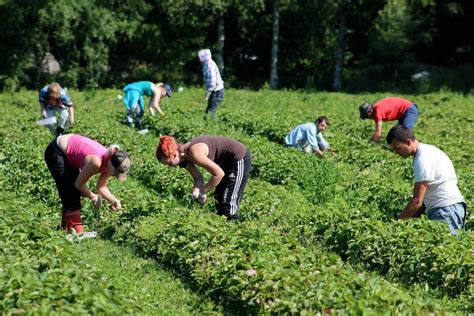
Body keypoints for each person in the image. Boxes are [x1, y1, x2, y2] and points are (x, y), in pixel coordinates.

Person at [386, 125, 466, 234]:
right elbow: (423, 199)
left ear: (408, 142)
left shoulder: (423, 159)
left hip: (444, 210)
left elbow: (417, 201)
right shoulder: (428, 151)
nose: (396, 152)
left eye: (398, 148)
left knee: (444, 247)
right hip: (451, 207)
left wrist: (395, 225)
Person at [44, 134, 131, 236]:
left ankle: (65, 229)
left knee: (70, 190)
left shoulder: (110, 161)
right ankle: (76, 231)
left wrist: (113, 201)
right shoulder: (96, 162)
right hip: (57, 151)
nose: (114, 175)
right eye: (115, 173)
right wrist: (93, 197)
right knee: (71, 190)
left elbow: (101, 186)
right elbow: (78, 185)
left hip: (69, 151)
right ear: (111, 164)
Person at [156, 135, 251, 221]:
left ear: (175, 155)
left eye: (169, 163)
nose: (170, 166)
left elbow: (218, 174)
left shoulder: (194, 152)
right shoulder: (183, 157)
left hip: (238, 158)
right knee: (219, 197)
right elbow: (198, 178)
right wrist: (197, 191)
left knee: (227, 203)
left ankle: (233, 226)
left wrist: (203, 191)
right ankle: (223, 227)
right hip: (226, 161)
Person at [198, 49, 224, 120]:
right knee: (209, 110)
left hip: (216, 91)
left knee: (212, 111)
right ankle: (206, 122)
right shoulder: (207, 64)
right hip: (214, 91)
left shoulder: (210, 66)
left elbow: (213, 82)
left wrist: (207, 93)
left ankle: (214, 126)